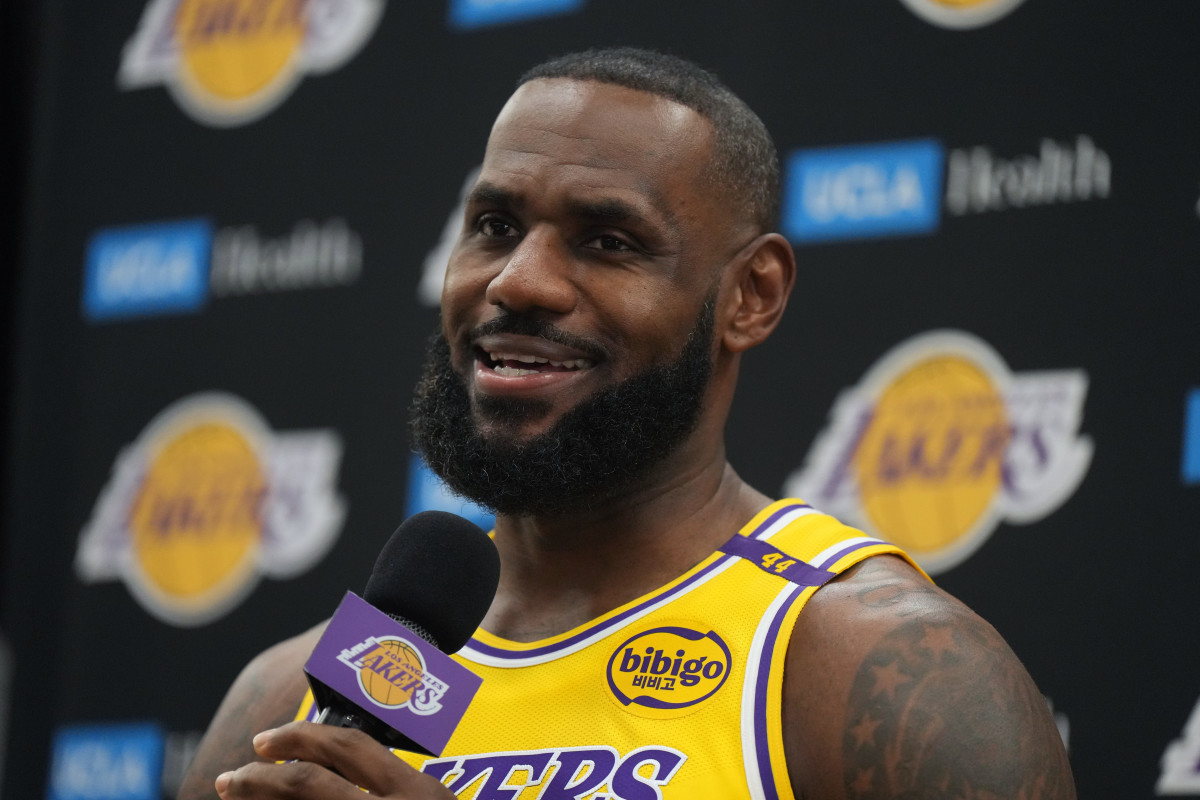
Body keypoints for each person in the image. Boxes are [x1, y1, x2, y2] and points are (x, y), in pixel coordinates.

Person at [180, 47, 1076, 800]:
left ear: (749, 296)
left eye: (608, 240)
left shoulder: (875, 671)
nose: (519, 282)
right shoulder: (286, 701)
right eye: (494, 224)